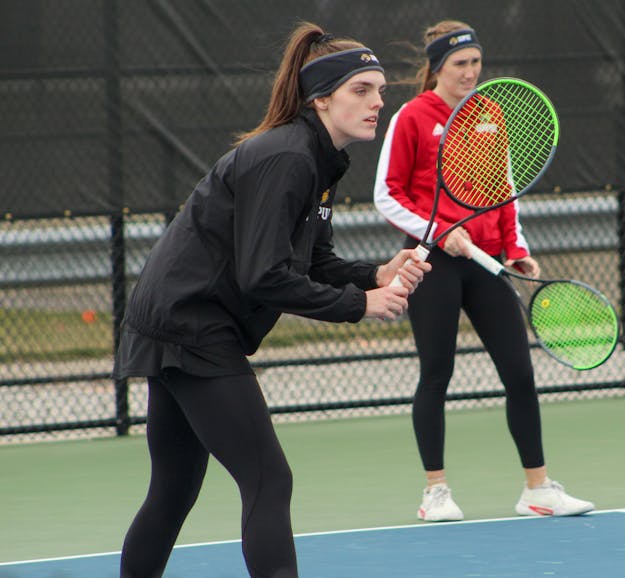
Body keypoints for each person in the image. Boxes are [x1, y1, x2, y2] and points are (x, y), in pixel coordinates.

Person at [113, 22, 430, 578]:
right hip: (192, 325)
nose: (377, 102)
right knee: (267, 479)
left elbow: (312, 260)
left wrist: (375, 275)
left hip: (173, 319)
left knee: (174, 489)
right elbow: (264, 275)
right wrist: (361, 305)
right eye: (361, 90)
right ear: (321, 98)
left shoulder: (318, 159)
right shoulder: (288, 157)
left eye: (380, 91)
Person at [373, 20, 594, 522]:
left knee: (519, 373)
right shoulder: (412, 116)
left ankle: (538, 489)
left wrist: (517, 248)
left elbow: (504, 188)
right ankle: (436, 493)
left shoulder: (490, 112)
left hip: (487, 261)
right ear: (437, 67)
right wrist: (438, 233)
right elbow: (387, 194)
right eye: (460, 63)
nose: (470, 72)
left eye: (475, 62)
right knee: (437, 373)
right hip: (432, 264)